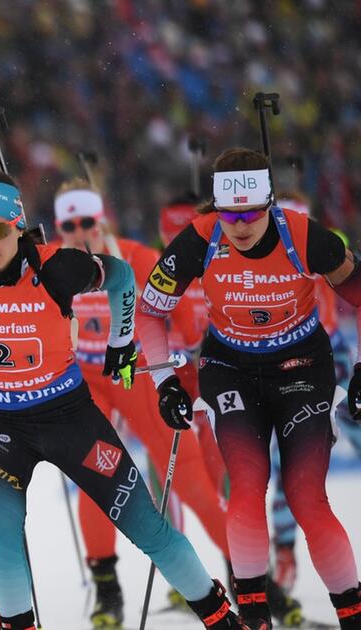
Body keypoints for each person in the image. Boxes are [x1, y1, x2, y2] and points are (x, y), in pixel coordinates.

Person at [0, 170, 242, 630]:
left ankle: (223, 619)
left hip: (68, 418)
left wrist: (121, 341)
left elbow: (123, 277)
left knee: (148, 528)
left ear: (18, 224)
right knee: (4, 541)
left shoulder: (56, 267)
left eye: (0, 230)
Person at [137, 148, 361, 629]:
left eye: (252, 212)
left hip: (302, 365)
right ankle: (256, 616)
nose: (240, 224)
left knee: (306, 498)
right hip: (230, 367)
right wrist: (164, 382)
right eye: (230, 213)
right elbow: (149, 311)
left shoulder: (302, 235)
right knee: (245, 489)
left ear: (270, 204)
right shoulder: (199, 239)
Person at [51, 179, 231, 628]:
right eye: (68, 225)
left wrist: (188, 357)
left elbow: (184, 323)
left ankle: (247, 574)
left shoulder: (136, 257)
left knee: (190, 479)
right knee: (95, 475)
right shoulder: (49, 262)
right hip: (83, 380)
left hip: (135, 374)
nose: (79, 233)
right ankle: (107, 589)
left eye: (87, 222)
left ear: (102, 220)